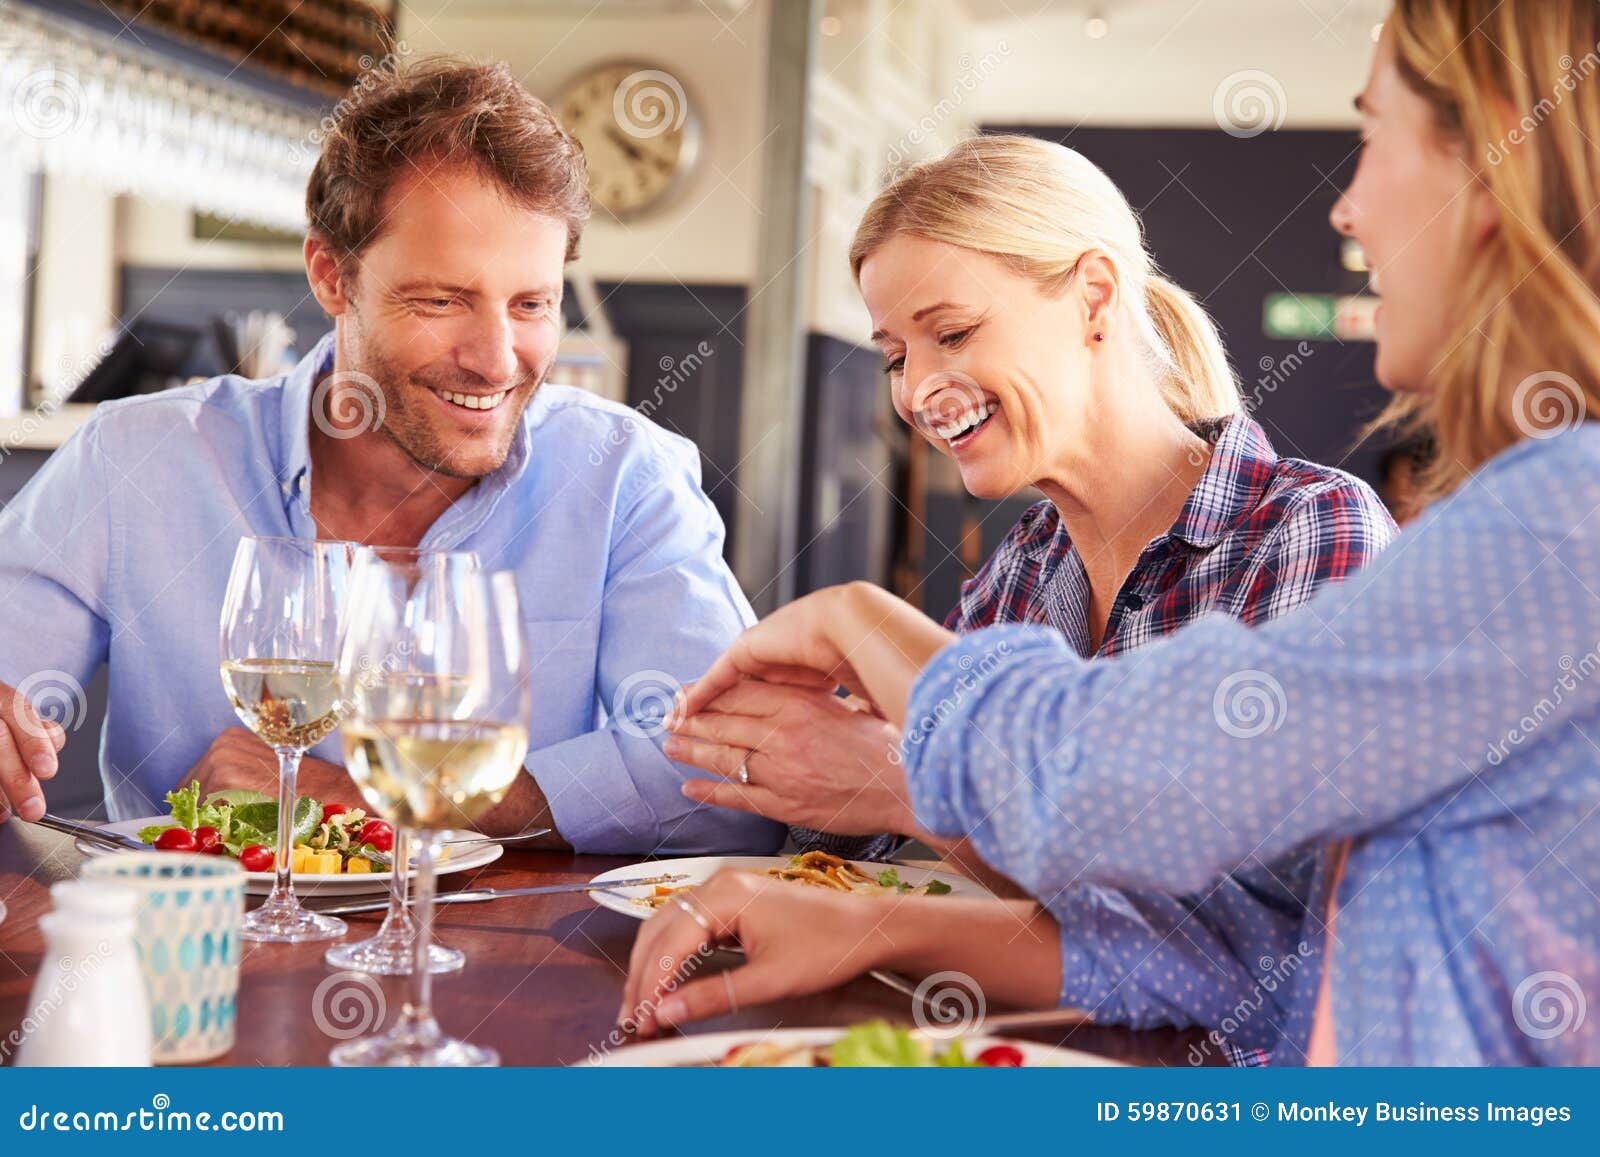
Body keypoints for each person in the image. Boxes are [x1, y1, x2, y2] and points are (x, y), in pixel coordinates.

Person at [625, 0, 1600, 1065]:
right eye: (896, 351)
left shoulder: (1550, 522)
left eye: (1370, 134)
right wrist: (878, 916)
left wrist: (870, 637)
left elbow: (1121, 789)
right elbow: (1250, 948)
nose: (1347, 208)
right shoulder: (1025, 565)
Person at [0, 59, 783, 857]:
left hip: (516, 976)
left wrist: (388, 800)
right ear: (331, 276)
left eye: (531, 304)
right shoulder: (141, 460)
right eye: (442, 301)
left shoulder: (625, 480)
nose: (496, 359)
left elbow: (733, 785)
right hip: (192, 961)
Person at [666, 135, 1394, 869]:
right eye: (895, 357)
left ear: (1093, 300)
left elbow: (1238, 912)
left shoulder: (1312, 531)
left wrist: (902, 778)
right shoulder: (1025, 566)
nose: (918, 392)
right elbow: (864, 831)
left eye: (951, 333)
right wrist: (810, 734)